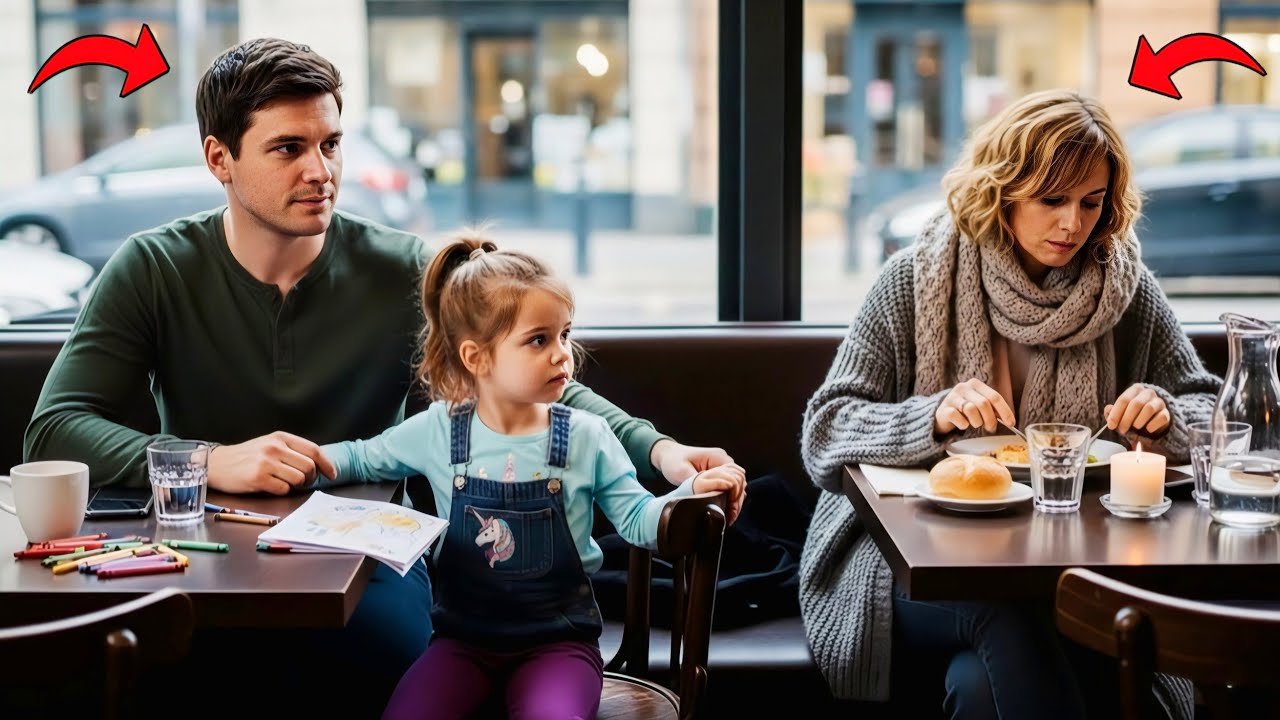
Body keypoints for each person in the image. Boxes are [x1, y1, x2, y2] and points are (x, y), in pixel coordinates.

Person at [23, 38, 735, 715]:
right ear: (220, 158)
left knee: (395, 667)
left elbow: (530, 385)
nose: (321, 170)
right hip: (206, 565)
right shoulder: (152, 267)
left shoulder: (399, 268)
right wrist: (212, 460)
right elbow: (54, 429)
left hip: (371, 562)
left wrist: (660, 450)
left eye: (330, 144)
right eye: (289, 148)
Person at [797, 90, 1220, 720]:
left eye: (1091, 202)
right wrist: (930, 417)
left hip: (1075, 561)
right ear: (1003, 191)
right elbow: (825, 431)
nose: (1072, 225)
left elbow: (1215, 414)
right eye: (1052, 200)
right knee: (1012, 614)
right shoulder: (914, 281)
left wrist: (1167, 413)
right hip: (906, 568)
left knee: (977, 685)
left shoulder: (1124, 292)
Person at [315, 236, 747, 719]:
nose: (563, 353)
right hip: (460, 646)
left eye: (565, 334)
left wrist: (689, 492)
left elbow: (640, 520)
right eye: (538, 340)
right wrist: (302, 464)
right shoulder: (439, 430)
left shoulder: (587, 436)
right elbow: (360, 459)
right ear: (476, 357)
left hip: (560, 648)